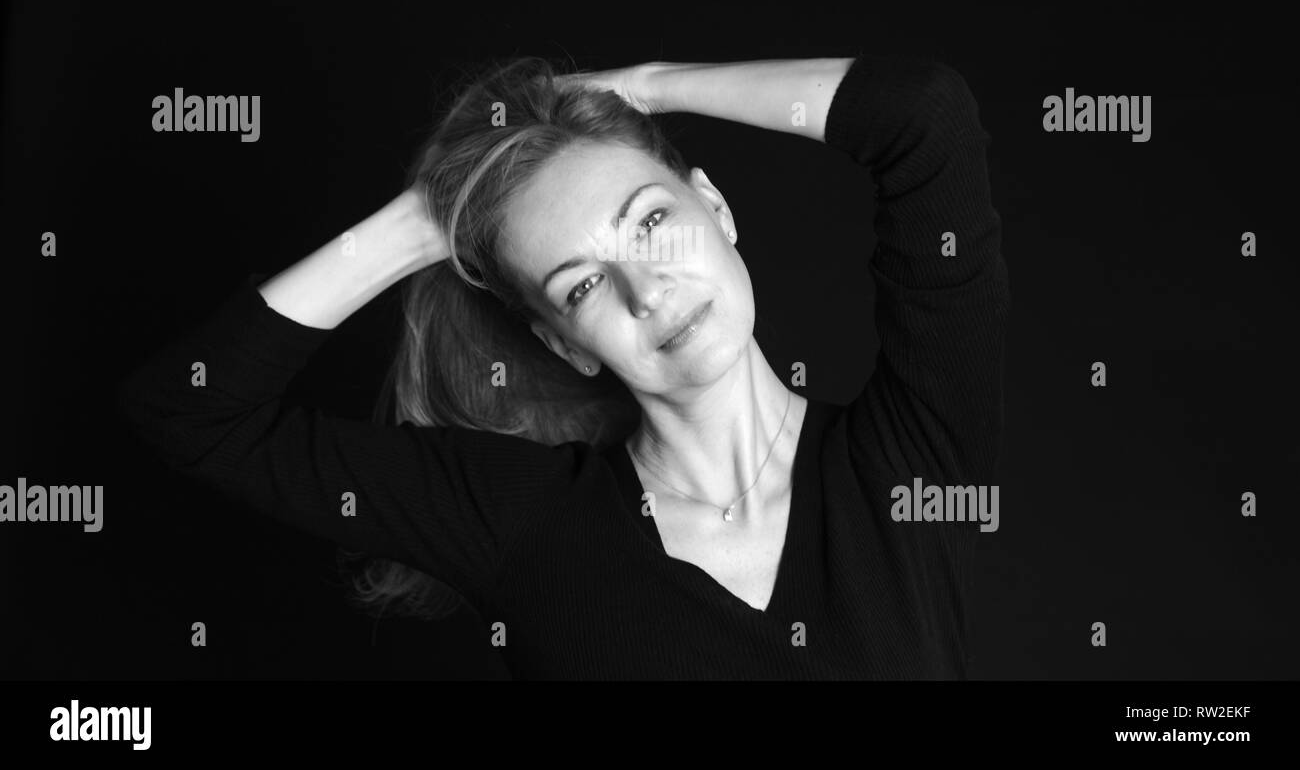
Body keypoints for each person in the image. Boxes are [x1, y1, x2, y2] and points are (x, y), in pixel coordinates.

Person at [116, 51, 1010, 679]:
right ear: (559, 341)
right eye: (582, 287)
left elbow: (922, 115)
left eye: (652, 222)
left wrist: (648, 88)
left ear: (717, 208)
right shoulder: (524, 526)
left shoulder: (908, 464)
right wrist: (422, 222)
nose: (646, 290)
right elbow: (191, 412)